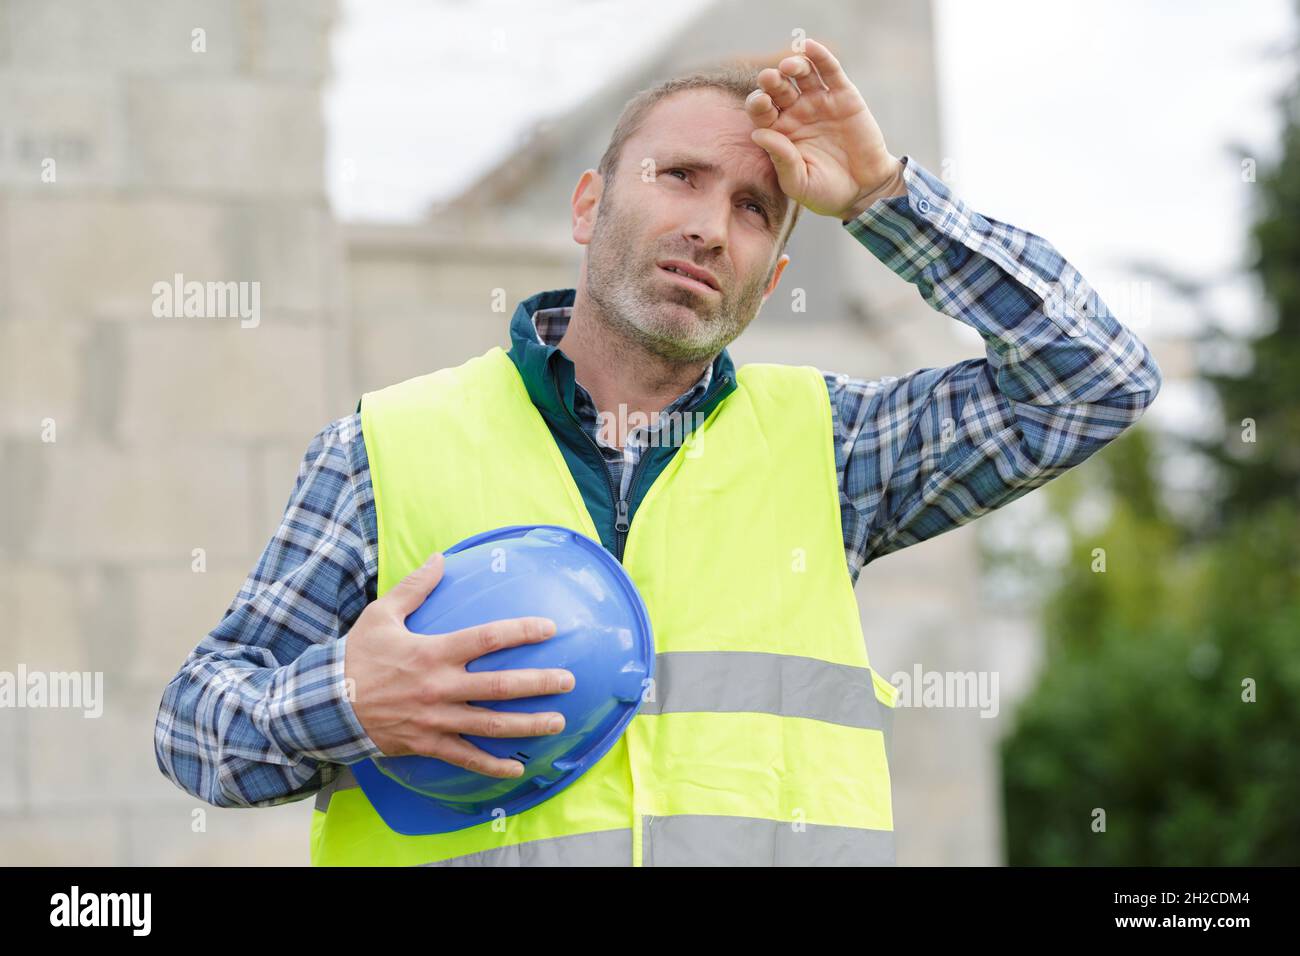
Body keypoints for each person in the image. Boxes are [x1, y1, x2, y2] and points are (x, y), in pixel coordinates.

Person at [155, 38, 1162, 866]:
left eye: (753, 209)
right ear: (589, 204)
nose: (709, 227)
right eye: (680, 176)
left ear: (769, 281)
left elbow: (1097, 376)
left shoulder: (842, 448)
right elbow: (197, 728)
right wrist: (349, 699)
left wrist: (882, 196)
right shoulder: (382, 448)